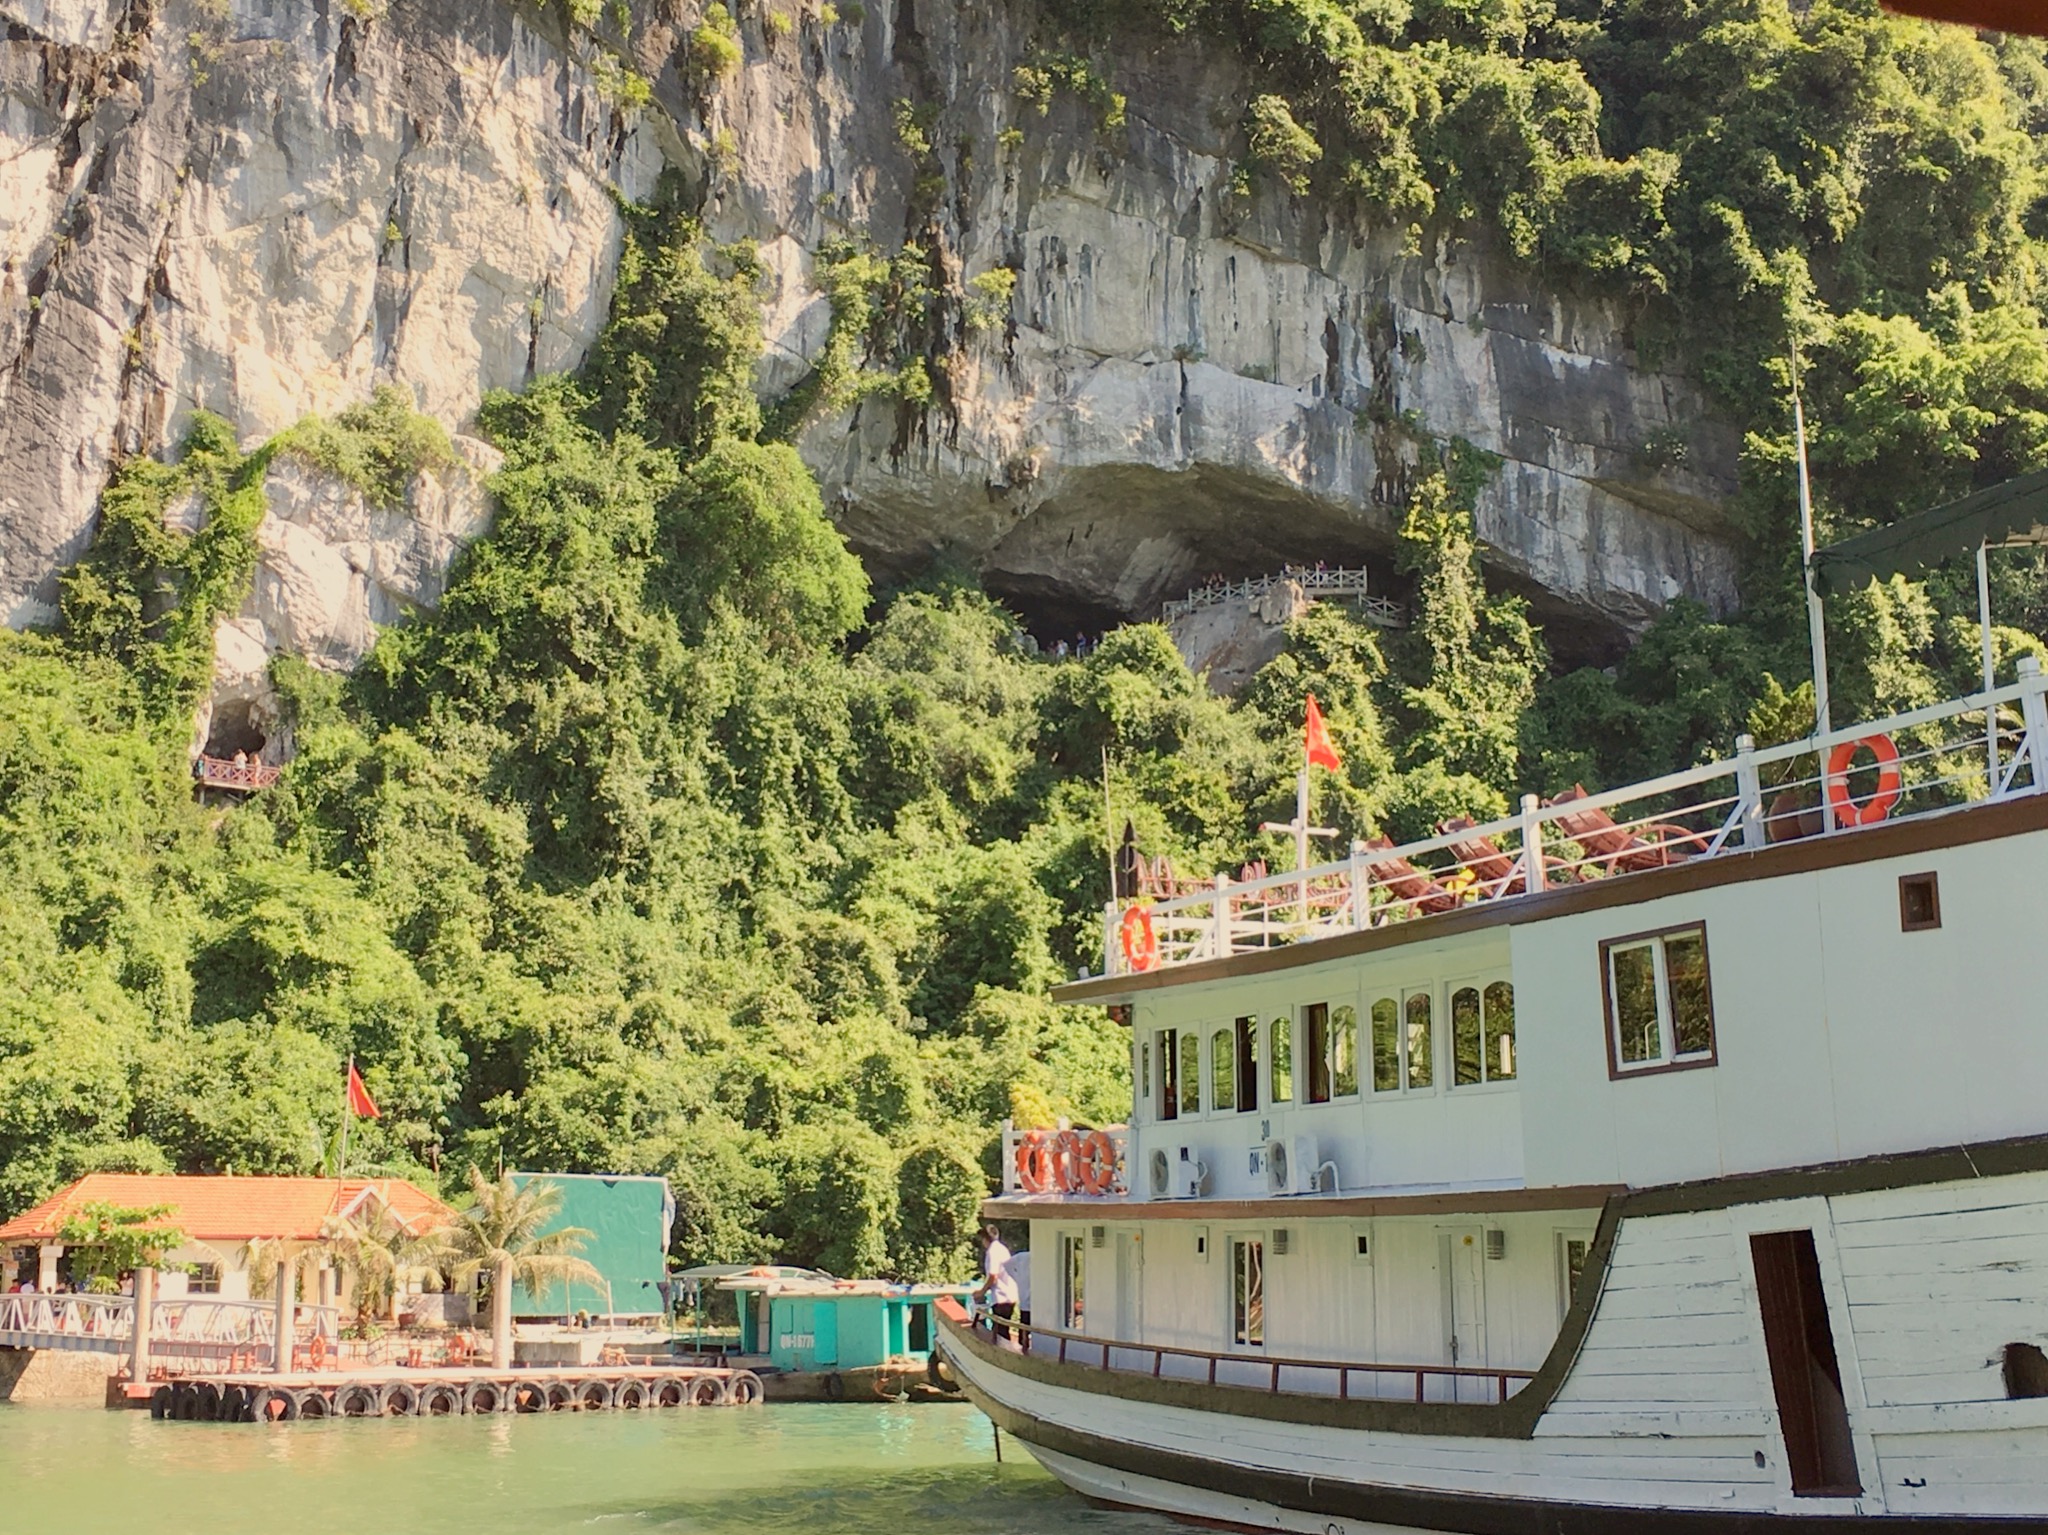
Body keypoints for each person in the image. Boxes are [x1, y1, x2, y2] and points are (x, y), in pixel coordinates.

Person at [975, 1224, 1017, 1342]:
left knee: (1000, 1332)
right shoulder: (1002, 1249)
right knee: (1003, 1329)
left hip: (1001, 1296)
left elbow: (993, 1275)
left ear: (986, 1238)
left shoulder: (993, 1251)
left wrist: (981, 1292)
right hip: (1010, 1294)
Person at [1006, 1249, 1031, 1346]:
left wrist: (1017, 1278)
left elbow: (1006, 1266)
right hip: (1031, 1300)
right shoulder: (1023, 1257)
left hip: (1025, 1298)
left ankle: (1023, 1347)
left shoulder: (1021, 1257)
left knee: (1024, 1326)